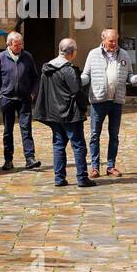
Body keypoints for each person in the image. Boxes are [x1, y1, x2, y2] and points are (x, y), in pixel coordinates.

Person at [81, 29, 137, 178]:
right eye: (111, 41)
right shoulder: (93, 54)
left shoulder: (123, 54)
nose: (114, 43)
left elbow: (129, 75)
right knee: (94, 135)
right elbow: (86, 75)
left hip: (116, 101)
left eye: (116, 40)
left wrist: (136, 78)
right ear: (103, 39)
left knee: (114, 136)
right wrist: (77, 81)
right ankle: (95, 167)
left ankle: (111, 166)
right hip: (98, 100)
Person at [33, 38, 94, 188]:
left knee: (58, 145)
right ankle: (82, 178)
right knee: (79, 146)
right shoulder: (68, 69)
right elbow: (76, 90)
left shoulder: (48, 69)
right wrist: (83, 106)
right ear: (71, 52)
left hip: (54, 114)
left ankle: (59, 178)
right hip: (70, 114)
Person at [0, 31, 41, 171]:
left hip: (24, 99)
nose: (19, 47)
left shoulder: (27, 57)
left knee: (26, 129)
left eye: (20, 44)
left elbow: (35, 78)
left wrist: (33, 94)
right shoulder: (0, 58)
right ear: (9, 44)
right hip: (7, 99)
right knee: (8, 131)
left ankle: (30, 158)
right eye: (16, 45)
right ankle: (8, 159)